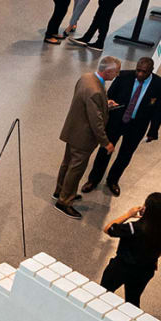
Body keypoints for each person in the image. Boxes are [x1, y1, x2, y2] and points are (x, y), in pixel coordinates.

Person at [84, 55, 161, 196]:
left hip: (137, 127)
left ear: (151, 71)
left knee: (125, 155)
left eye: (144, 72)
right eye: (138, 70)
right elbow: (109, 96)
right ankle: (93, 179)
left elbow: (159, 110)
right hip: (116, 122)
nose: (140, 74)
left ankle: (113, 181)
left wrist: (154, 131)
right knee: (104, 151)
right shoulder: (123, 76)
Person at [55, 56, 120, 218]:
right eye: (116, 72)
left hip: (72, 130)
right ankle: (64, 201)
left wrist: (105, 104)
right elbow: (96, 121)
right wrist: (106, 143)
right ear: (108, 71)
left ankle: (60, 190)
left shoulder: (86, 78)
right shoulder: (96, 90)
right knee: (76, 169)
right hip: (83, 138)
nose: (117, 75)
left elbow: (88, 104)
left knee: (67, 163)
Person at [101, 193, 161, 305]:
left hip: (121, 267)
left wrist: (128, 214)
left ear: (146, 210)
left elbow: (108, 229)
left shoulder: (133, 228)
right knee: (133, 301)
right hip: (145, 271)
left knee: (103, 292)